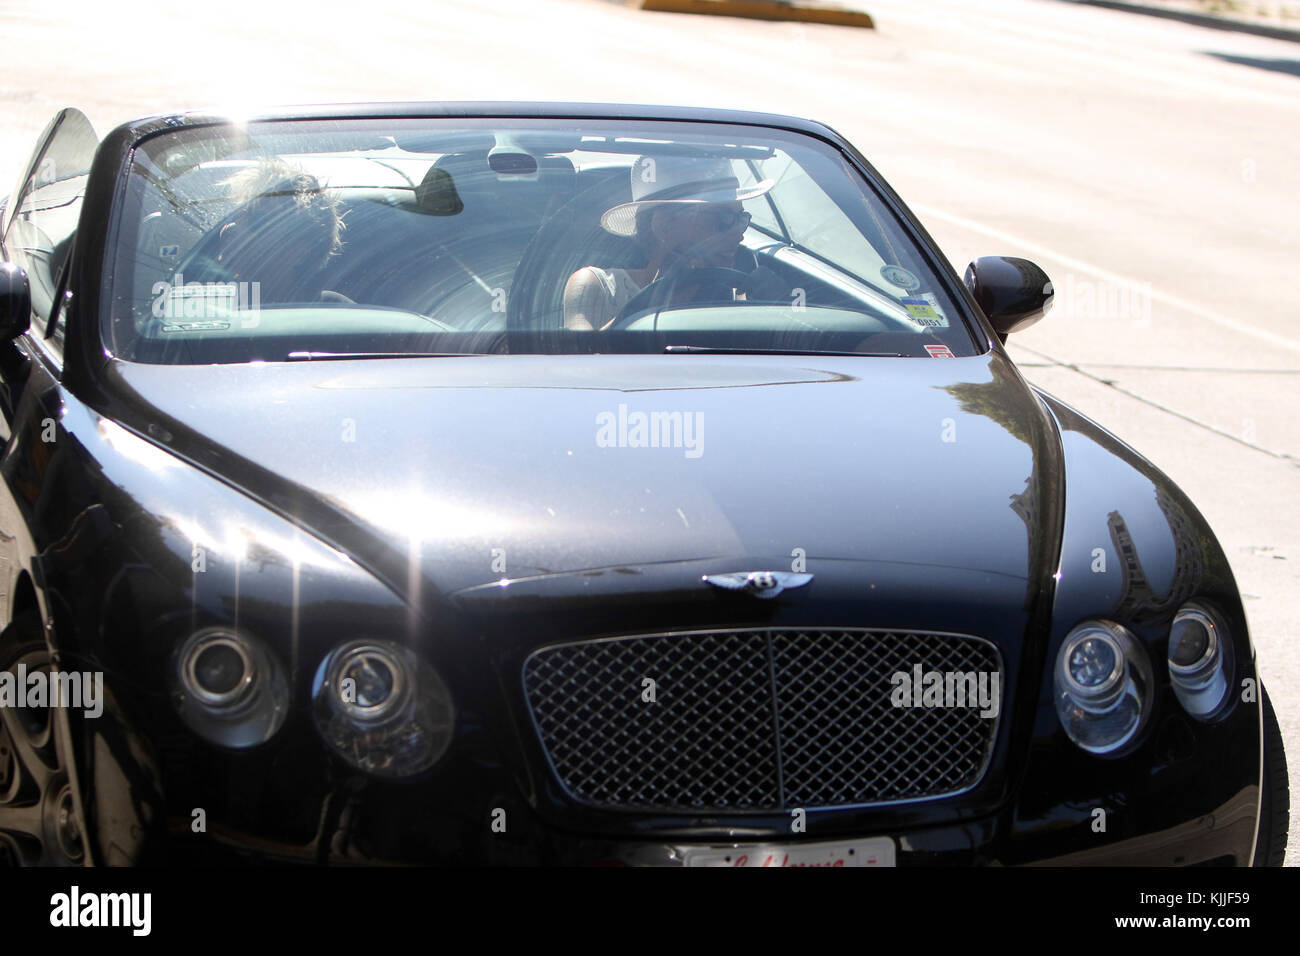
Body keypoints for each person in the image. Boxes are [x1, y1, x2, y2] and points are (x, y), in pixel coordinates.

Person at [562, 156, 773, 330]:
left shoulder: (740, 296)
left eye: (741, 219)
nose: (739, 235)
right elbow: (576, 358)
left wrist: (777, 313)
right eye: (724, 219)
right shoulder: (598, 287)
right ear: (665, 224)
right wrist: (651, 303)